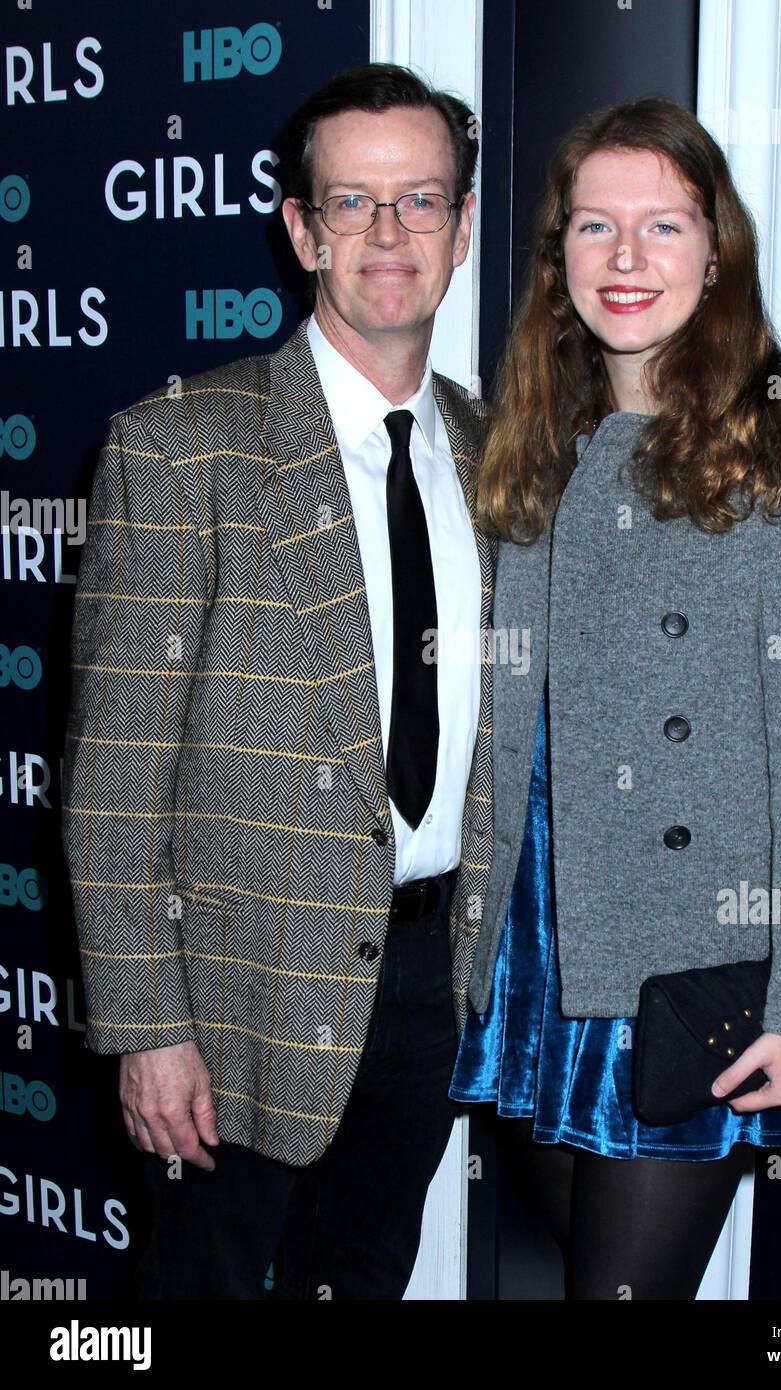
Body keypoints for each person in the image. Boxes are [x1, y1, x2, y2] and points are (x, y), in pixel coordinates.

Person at [61, 62, 494, 1301]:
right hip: (231, 991)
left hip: (426, 983)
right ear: (302, 229)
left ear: (462, 228)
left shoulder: (495, 453)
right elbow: (114, 774)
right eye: (352, 203)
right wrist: (147, 1026)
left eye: (420, 201)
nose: (390, 233)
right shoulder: (181, 444)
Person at [450, 97, 781, 1300]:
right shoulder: (529, 433)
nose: (626, 260)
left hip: (682, 946)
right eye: (595, 226)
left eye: (662, 226)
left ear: (715, 250)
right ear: (558, 256)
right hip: (536, 936)